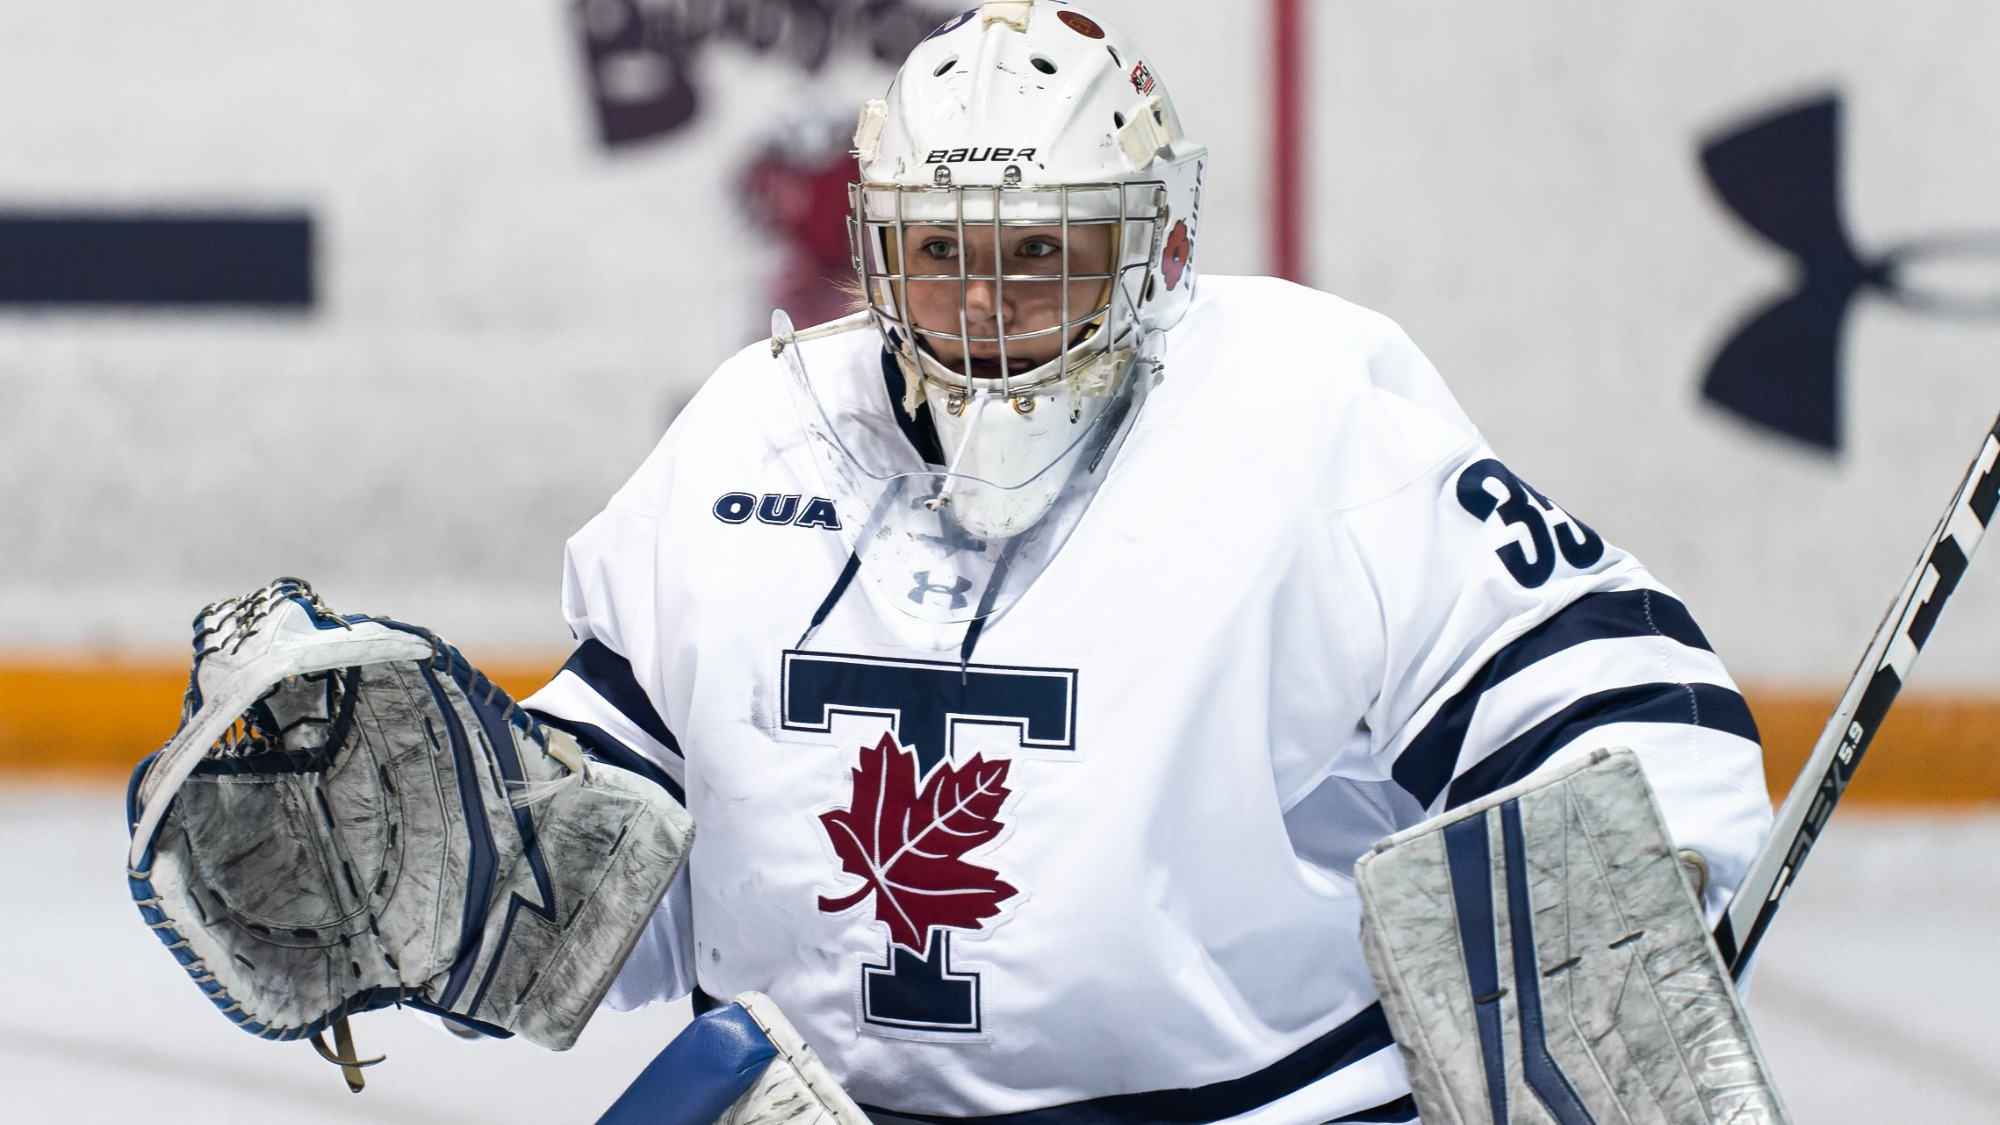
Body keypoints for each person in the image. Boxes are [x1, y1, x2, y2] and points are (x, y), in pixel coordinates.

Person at [521, 3, 1774, 1121]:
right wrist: (463, 856)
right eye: (941, 249)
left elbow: (1597, 693)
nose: (982, 305)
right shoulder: (758, 426)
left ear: (1155, 249)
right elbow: (614, 823)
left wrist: (1614, 918)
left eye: (1039, 253)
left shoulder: (1305, 407)